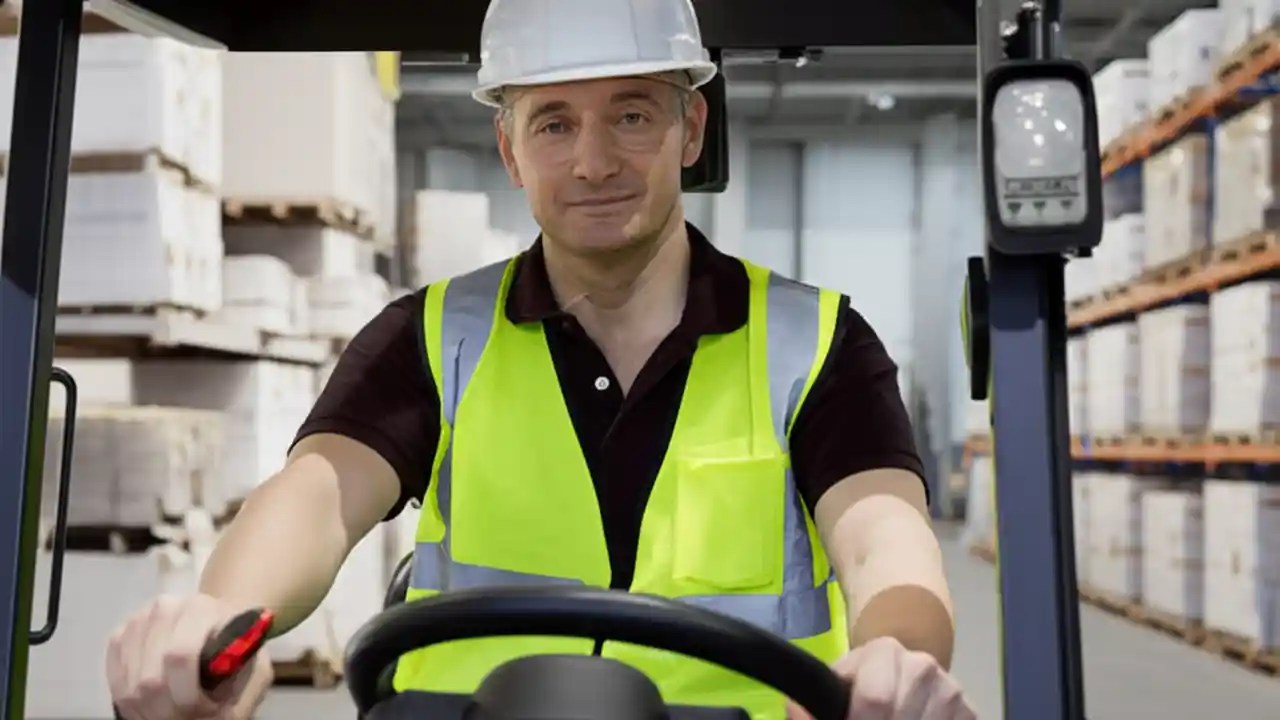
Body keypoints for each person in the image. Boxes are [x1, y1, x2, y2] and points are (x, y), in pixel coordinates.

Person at [106, 1, 976, 718]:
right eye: (555, 123)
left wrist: (895, 656)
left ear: (690, 128)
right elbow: (315, 498)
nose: (593, 162)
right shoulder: (431, 336)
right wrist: (219, 615)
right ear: (511, 150)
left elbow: (884, 540)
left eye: (631, 114)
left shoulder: (817, 342)